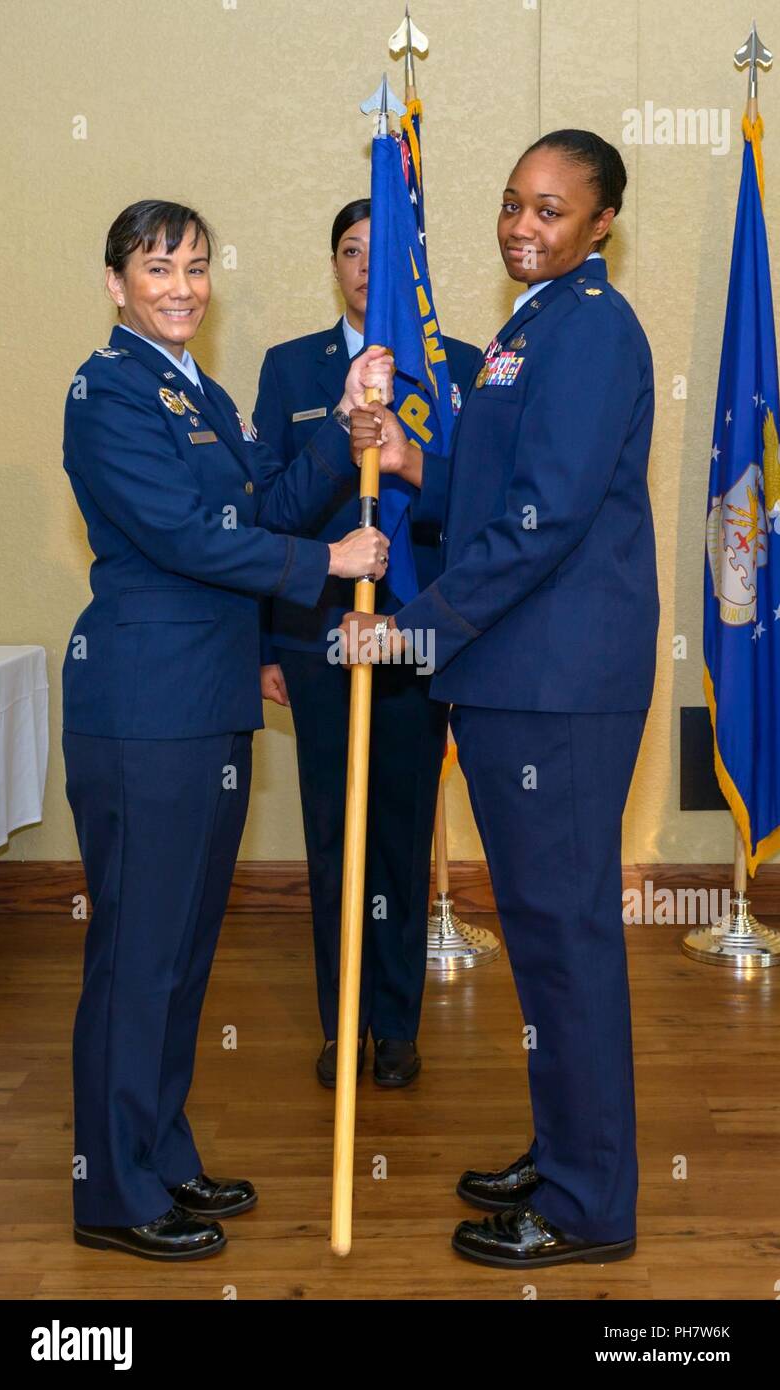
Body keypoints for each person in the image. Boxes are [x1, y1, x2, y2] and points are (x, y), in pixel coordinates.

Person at [343, 130, 659, 1269]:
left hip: (557, 683)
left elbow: (542, 521)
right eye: (513, 204)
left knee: (565, 940)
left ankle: (588, 1205)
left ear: (600, 225)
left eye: (552, 211)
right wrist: (412, 456)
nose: (524, 226)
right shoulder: (532, 325)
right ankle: (568, 1143)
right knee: (542, 933)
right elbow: (493, 478)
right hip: (518, 674)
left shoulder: (589, 330)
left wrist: (410, 628)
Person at [62, 199, 395, 1261]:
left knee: (181, 953)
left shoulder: (196, 388)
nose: (182, 286)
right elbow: (182, 533)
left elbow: (263, 506)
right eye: (159, 268)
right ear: (117, 282)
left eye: (197, 266)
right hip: (145, 704)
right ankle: (111, 1191)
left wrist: (347, 439)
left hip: (206, 702)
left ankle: (159, 1151)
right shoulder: (107, 389)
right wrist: (327, 569)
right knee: (136, 954)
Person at [253, 198, 481, 1088]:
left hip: (416, 638)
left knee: (400, 828)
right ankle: (341, 1023)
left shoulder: (454, 369)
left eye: (380, 255)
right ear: (334, 265)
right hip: (318, 642)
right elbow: (265, 512)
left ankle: (394, 1023)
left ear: (406, 271)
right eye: (350, 252)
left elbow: (474, 512)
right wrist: (263, 644)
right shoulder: (288, 368)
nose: (363, 269)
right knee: (331, 837)